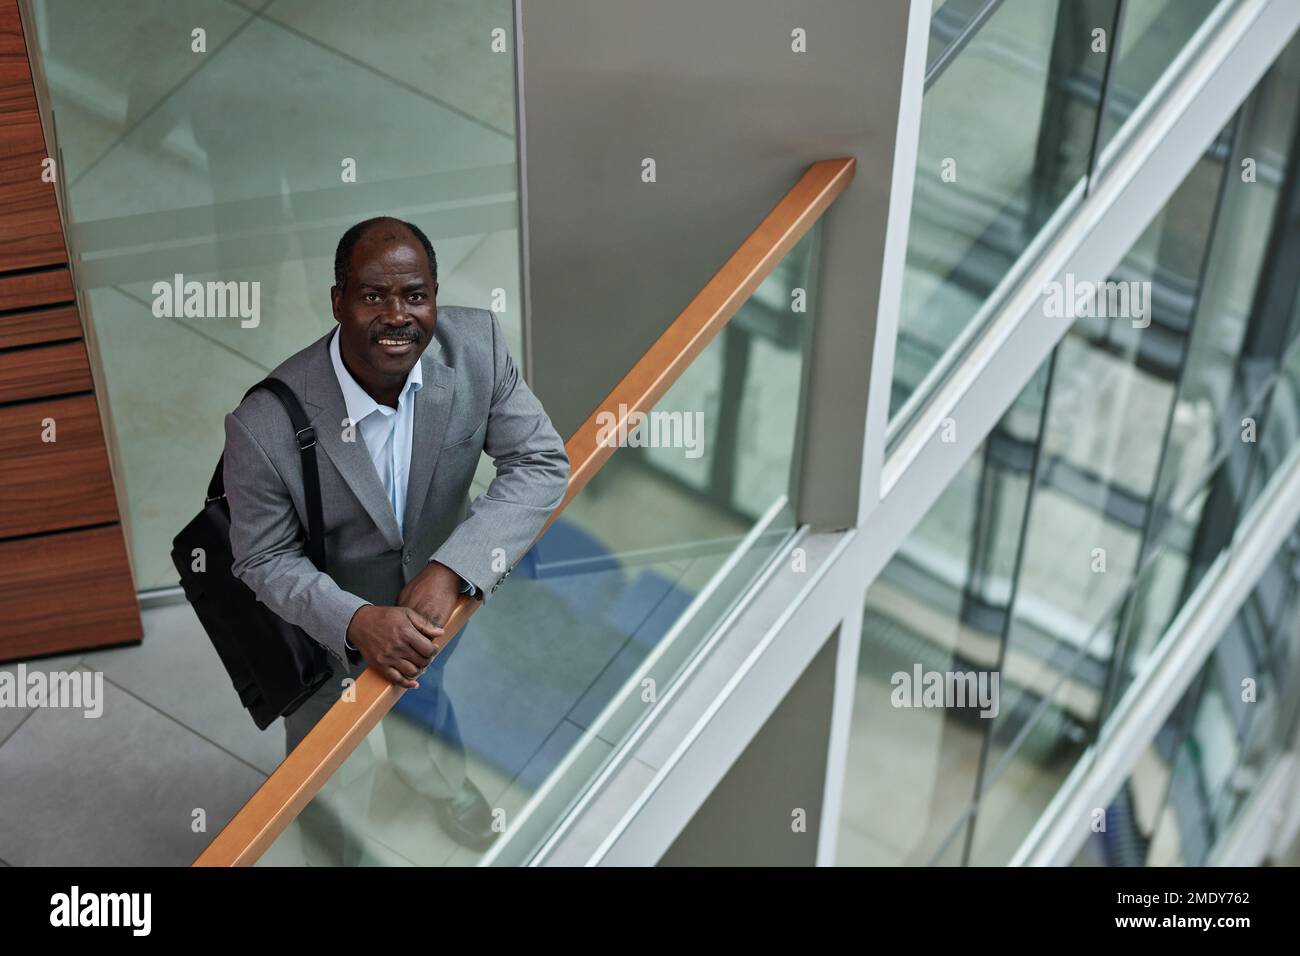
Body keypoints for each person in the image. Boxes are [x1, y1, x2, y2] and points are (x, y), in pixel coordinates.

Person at [222, 217, 569, 861]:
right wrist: (356, 622)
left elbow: (541, 464)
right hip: (317, 632)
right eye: (372, 295)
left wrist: (450, 567)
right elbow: (261, 556)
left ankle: (437, 782)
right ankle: (334, 847)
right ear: (337, 302)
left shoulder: (477, 348)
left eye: (414, 295)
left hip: (428, 611)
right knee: (328, 768)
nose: (396, 315)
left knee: (428, 708)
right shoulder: (263, 424)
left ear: (434, 296)